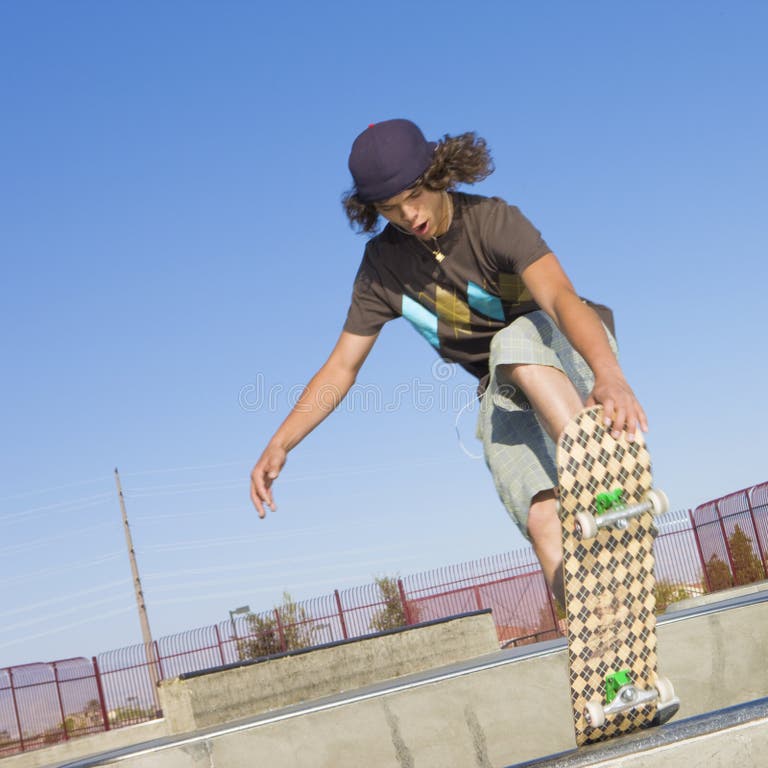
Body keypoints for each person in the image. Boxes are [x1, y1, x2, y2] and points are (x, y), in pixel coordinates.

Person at [249, 119, 647, 606]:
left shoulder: (493, 221)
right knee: (541, 515)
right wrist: (281, 441)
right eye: (390, 209)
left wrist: (610, 375)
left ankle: (592, 464)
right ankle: (594, 637)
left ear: (439, 173)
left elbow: (562, 299)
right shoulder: (381, 269)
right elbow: (340, 368)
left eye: (416, 195)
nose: (409, 216)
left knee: (511, 344)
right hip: (503, 388)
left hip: (571, 351)